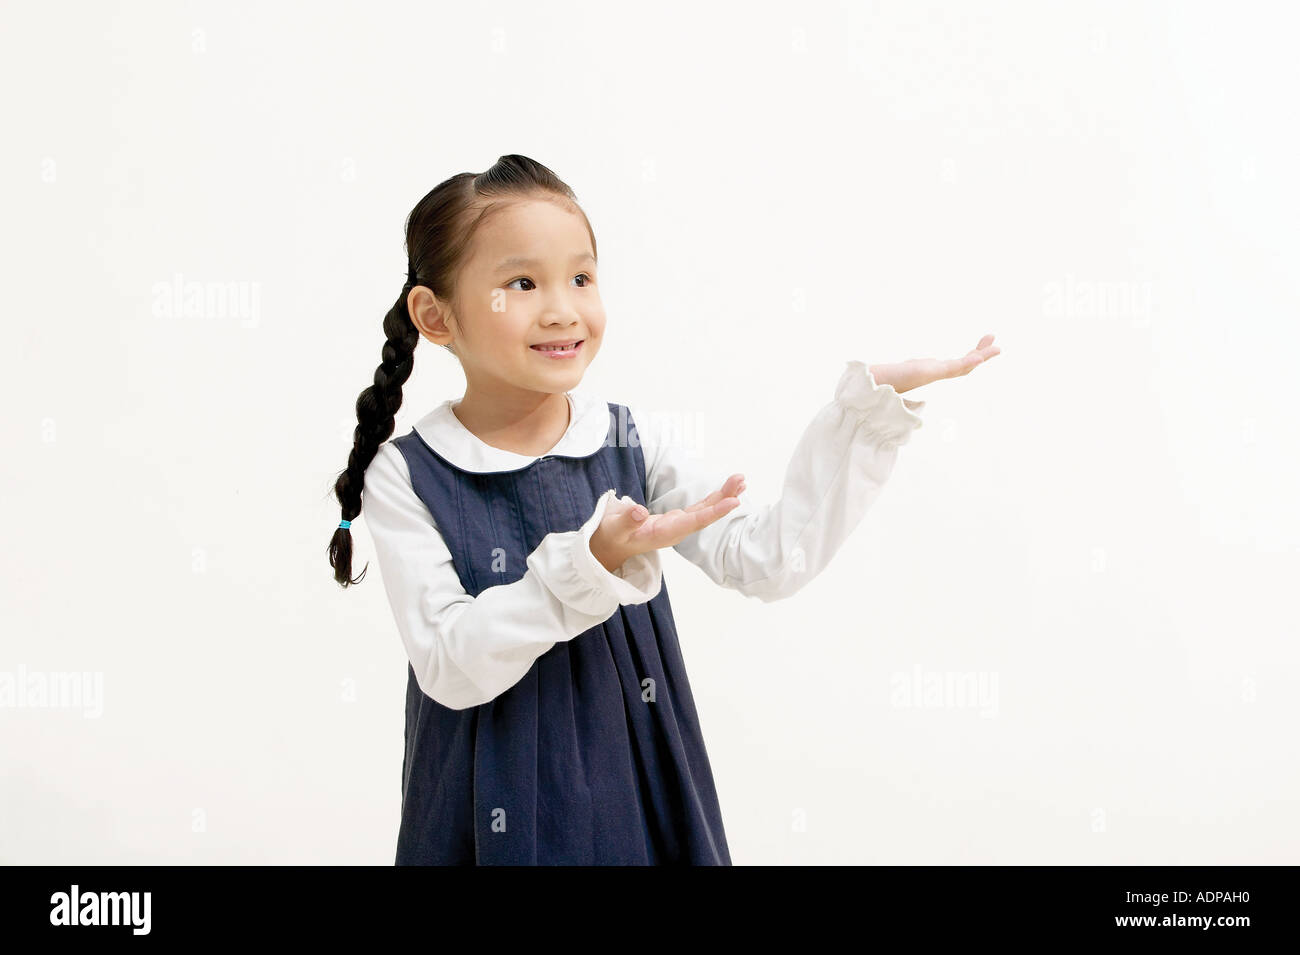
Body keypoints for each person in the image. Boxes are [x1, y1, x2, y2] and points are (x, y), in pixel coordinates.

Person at [326, 154, 1000, 865]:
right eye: (522, 283)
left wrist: (863, 416)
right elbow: (449, 663)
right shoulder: (407, 474)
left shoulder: (629, 439)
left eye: (581, 278)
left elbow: (767, 559)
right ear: (435, 315)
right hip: (487, 800)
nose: (563, 309)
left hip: (634, 787)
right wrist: (588, 564)